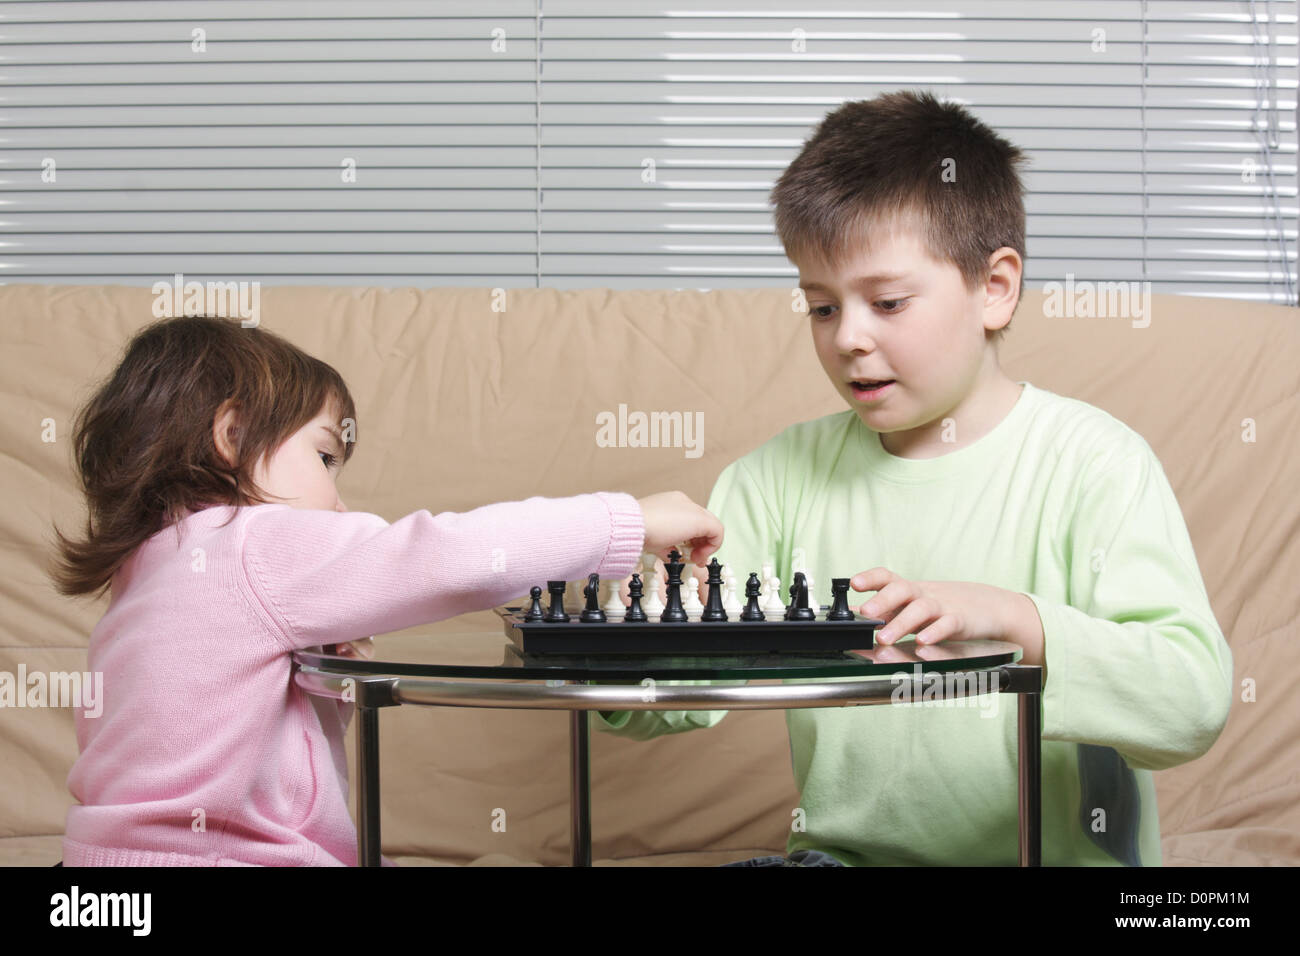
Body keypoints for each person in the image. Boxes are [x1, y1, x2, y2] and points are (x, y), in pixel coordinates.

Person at [595, 90, 1233, 867]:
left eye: (887, 302)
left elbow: (1191, 702)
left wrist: (1018, 622)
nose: (849, 339)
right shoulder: (773, 482)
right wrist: (618, 627)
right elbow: (667, 702)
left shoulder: (1095, 463)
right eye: (821, 307)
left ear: (994, 289)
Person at [48, 314, 722, 866]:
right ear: (231, 435)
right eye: (323, 459)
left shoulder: (146, 567)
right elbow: (450, 555)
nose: (337, 502)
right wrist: (624, 518)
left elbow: (211, 740)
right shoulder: (253, 540)